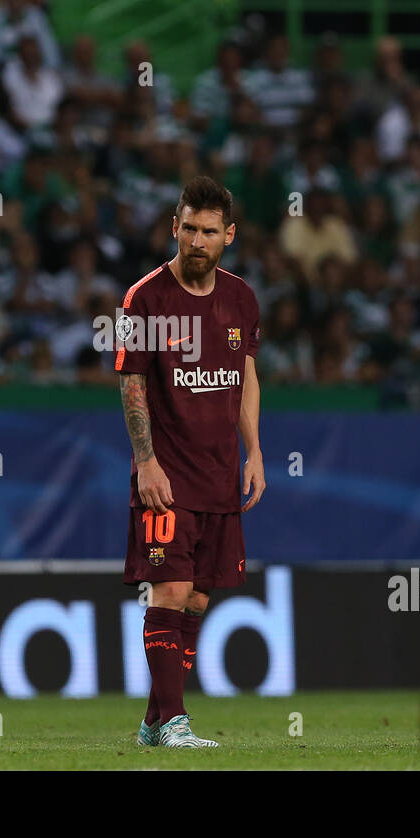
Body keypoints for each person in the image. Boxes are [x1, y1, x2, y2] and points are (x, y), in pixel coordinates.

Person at [114, 176, 266, 749]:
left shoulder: (241, 299)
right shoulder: (145, 299)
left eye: (209, 231)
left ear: (229, 235)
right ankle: (176, 723)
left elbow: (244, 377)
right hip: (166, 478)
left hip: (221, 476)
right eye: (188, 228)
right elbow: (132, 385)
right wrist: (146, 464)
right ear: (173, 227)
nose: (197, 240)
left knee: (200, 598)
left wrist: (253, 452)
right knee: (171, 592)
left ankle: (156, 722)